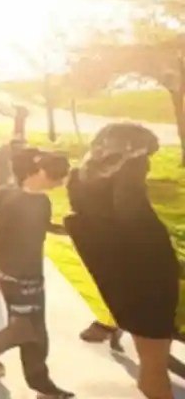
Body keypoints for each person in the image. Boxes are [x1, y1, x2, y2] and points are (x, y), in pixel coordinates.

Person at [64, 123, 179, 399]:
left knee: (150, 363)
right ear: (134, 153)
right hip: (148, 280)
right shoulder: (130, 172)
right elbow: (133, 216)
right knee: (154, 368)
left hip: (118, 281)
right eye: (146, 157)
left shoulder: (78, 179)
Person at [0, 148, 73, 399]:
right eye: (55, 176)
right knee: (25, 330)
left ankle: (40, 384)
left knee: (36, 331)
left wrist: (69, 230)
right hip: (10, 276)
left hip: (34, 275)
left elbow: (40, 229)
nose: (58, 183)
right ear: (36, 172)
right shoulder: (5, 197)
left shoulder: (43, 202)